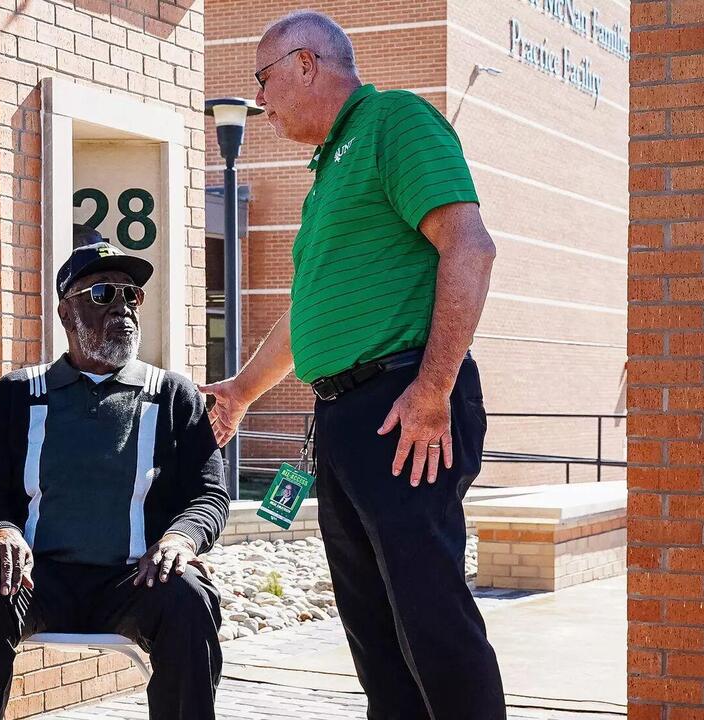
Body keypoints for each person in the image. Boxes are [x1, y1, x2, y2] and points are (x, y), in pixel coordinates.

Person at [201, 11, 506, 720]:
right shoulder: (326, 173)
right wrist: (244, 389)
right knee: (373, 631)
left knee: (429, 616)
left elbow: (470, 247)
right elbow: (310, 313)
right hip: (343, 417)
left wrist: (434, 388)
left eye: (263, 81)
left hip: (403, 404)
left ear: (306, 64)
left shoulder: (394, 121)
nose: (261, 102)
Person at [0, 229, 229, 720]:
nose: (123, 306)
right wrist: (2, 530)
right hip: (37, 579)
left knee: (189, 597)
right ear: (66, 313)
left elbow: (208, 494)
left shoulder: (174, 396)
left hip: (135, 578)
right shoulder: (16, 395)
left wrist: (181, 539)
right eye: (102, 293)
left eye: (130, 294)